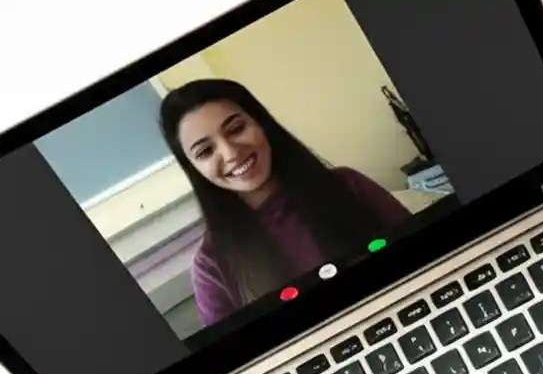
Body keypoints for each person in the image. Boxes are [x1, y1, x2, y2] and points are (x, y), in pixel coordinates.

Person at [159, 78, 412, 327]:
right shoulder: (211, 265)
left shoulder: (348, 185)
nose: (231, 153)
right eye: (205, 151)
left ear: (261, 123)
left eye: (236, 129)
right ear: (194, 169)